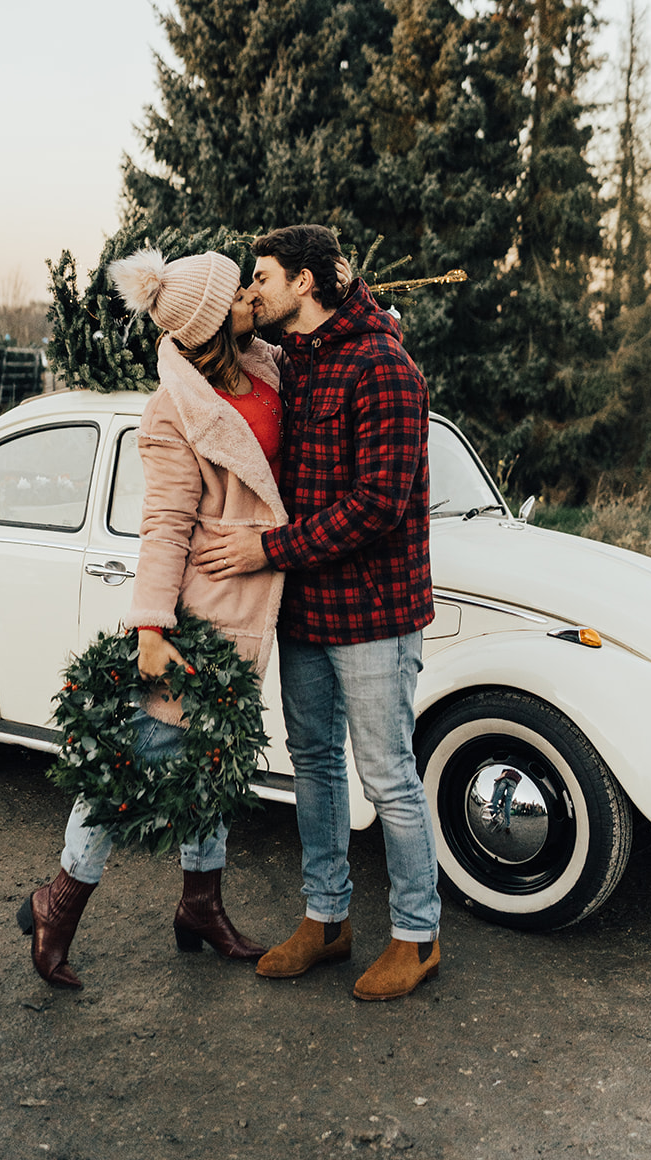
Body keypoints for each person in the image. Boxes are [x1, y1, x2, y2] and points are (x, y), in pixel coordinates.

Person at [18, 248, 287, 989]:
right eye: (236, 292)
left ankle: (199, 906)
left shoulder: (267, 365)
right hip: (201, 611)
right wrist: (149, 629)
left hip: (258, 599)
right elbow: (165, 521)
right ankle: (59, 902)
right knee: (131, 762)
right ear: (212, 322)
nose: (249, 296)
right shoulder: (171, 411)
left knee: (215, 765)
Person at [195, 223, 441, 1002]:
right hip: (304, 609)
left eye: (261, 277)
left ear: (304, 282)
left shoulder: (383, 367)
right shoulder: (290, 362)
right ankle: (326, 919)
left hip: (373, 612)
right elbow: (191, 362)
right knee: (314, 765)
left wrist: (268, 549)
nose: (251, 291)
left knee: (388, 774)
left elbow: (377, 504)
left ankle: (416, 934)